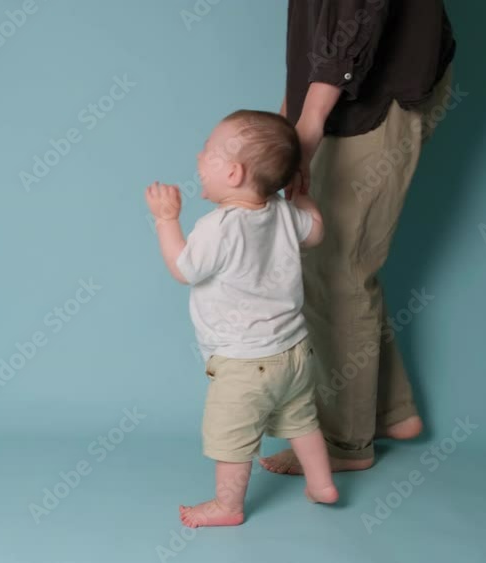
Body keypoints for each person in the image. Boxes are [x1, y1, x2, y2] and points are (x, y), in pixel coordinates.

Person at [260, 0, 457, 474]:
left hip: (376, 91)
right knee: (341, 261)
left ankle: (344, 443)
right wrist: (293, 112)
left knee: (336, 266)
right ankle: (391, 412)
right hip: (352, 86)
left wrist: (309, 121)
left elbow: (356, 12)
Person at [145, 110, 335, 529]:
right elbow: (317, 231)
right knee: (303, 420)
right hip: (295, 352)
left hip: (244, 362)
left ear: (232, 174)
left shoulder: (218, 226)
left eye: (207, 153)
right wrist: (301, 195)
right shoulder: (283, 214)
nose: (199, 157)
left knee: (230, 438)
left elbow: (184, 268)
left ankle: (228, 505)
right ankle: (321, 483)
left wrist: (165, 220)